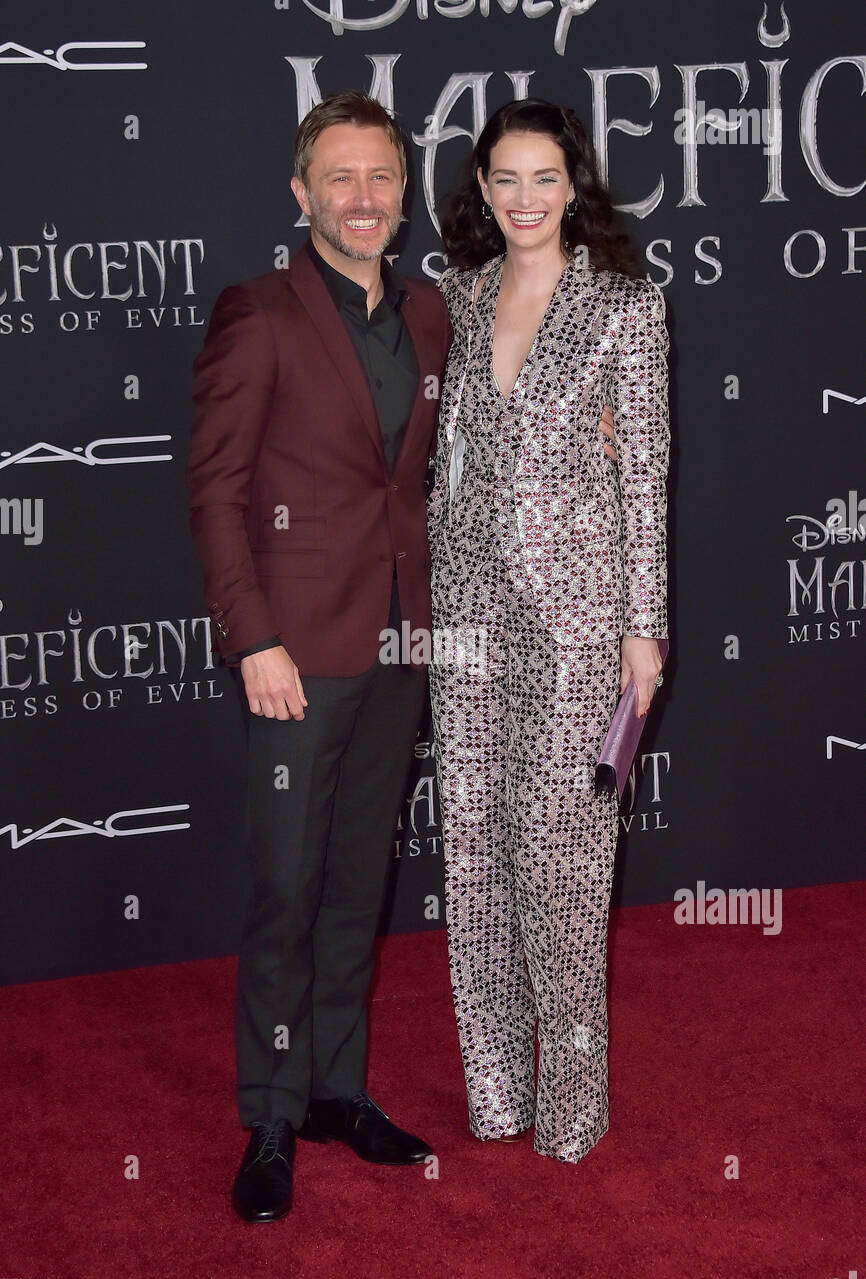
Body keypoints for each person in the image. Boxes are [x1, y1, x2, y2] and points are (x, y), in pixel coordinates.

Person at [186, 91, 453, 1222]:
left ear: (403, 196)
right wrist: (254, 638)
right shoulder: (257, 312)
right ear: (301, 194)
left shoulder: (430, 312)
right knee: (287, 887)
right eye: (337, 178)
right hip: (297, 651)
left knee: (358, 882)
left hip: (400, 638)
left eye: (379, 178)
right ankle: (274, 1113)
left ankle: (340, 1088)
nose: (360, 198)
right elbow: (215, 491)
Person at [427, 98, 670, 1163]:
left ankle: (570, 1106)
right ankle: (495, 1091)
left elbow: (645, 480)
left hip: (577, 622)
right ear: (481, 190)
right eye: (504, 180)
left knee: (564, 860)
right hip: (463, 610)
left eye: (544, 178)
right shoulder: (452, 296)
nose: (524, 200)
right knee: (473, 847)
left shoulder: (627, 307)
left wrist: (641, 628)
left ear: (575, 186)